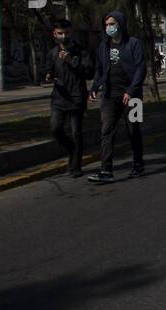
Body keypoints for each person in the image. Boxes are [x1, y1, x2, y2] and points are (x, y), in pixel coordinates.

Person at [88, 10, 146, 183]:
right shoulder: (103, 46)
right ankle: (106, 170)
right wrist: (94, 87)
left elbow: (141, 69)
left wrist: (131, 90)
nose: (109, 28)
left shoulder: (134, 43)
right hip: (109, 96)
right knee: (106, 131)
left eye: (112, 24)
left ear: (120, 24)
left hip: (133, 96)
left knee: (133, 130)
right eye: (106, 25)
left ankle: (138, 164)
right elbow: (99, 70)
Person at [44, 18, 93, 177]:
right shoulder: (52, 53)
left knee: (76, 132)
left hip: (77, 97)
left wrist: (71, 61)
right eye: (60, 33)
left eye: (66, 33)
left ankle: (75, 166)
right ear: (55, 34)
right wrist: (48, 76)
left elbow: (89, 73)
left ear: (71, 32)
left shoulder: (81, 51)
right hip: (59, 97)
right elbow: (47, 70)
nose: (63, 36)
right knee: (55, 128)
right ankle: (71, 148)